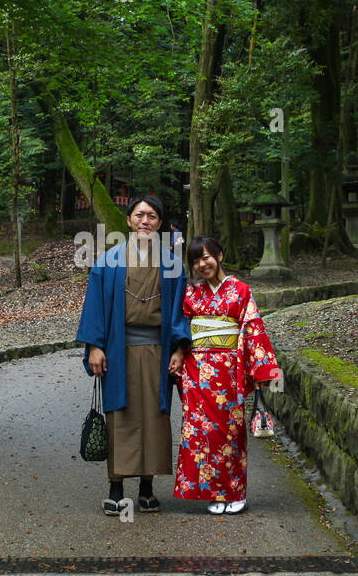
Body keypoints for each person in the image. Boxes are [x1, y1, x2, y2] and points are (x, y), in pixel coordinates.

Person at [76, 195, 190, 515]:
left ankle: (147, 487)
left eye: (152, 216)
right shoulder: (107, 263)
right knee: (120, 417)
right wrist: (96, 346)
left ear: (160, 224)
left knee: (155, 418)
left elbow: (181, 312)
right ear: (128, 220)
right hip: (118, 350)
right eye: (139, 215)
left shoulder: (172, 265)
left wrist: (180, 350)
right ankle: (116, 486)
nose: (145, 221)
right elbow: (95, 308)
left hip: (157, 350)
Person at [170, 234, 280, 515]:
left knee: (230, 432)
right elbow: (182, 329)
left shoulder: (241, 291)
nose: (201, 264)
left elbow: (253, 328)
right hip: (197, 371)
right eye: (195, 261)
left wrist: (261, 369)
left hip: (229, 371)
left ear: (219, 256)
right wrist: (179, 356)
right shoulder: (192, 294)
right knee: (198, 431)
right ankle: (213, 492)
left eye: (206, 257)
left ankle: (234, 491)